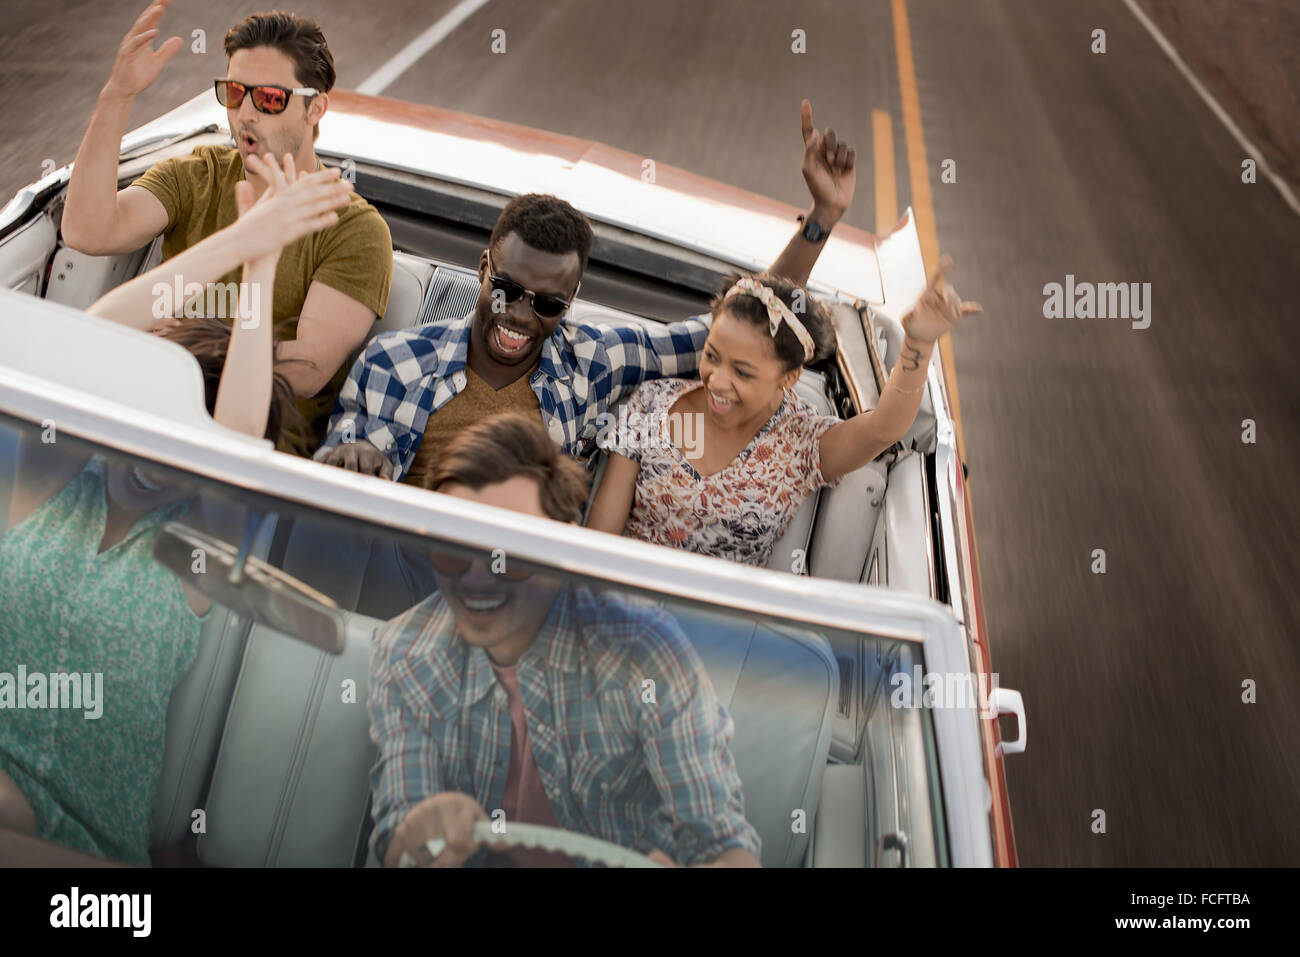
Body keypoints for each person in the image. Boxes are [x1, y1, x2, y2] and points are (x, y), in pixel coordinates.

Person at [0, 154, 351, 866]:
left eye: (182, 447)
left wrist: (261, 268)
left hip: (79, 851)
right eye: (148, 425)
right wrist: (247, 236)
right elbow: (90, 338)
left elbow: (234, 445)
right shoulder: (50, 477)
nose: (154, 461)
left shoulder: (193, 550)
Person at [315, 99, 856, 484]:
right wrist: (351, 458)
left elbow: (747, 322)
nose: (522, 316)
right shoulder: (392, 361)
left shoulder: (593, 361)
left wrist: (820, 220)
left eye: (548, 304)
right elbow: (321, 475)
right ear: (484, 268)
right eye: (507, 290)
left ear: (569, 302)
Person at [369, 413, 761, 868]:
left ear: (565, 549)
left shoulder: (642, 650)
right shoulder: (403, 654)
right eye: (453, 547)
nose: (477, 579)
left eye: (510, 554)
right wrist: (422, 833)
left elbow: (723, 844)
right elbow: (399, 839)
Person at [60, 2, 393, 454]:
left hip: (255, 454)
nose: (246, 114)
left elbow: (309, 367)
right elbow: (88, 231)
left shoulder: (354, 227)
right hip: (146, 415)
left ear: (316, 109)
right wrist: (117, 96)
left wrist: (186, 342)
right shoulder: (197, 175)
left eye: (270, 98)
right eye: (235, 93)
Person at [586, 261, 980, 567]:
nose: (718, 381)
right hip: (617, 609)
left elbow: (884, 428)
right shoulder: (651, 404)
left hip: (719, 645)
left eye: (742, 372)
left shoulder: (802, 441)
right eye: (712, 356)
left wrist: (919, 343)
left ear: (789, 378)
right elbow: (598, 545)